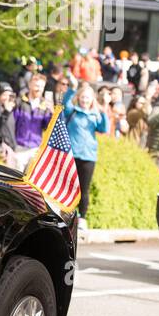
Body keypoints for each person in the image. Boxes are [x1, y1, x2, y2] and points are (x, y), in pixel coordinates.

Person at [63, 82, 110, 230]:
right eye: (83, 97)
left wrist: (104, 110)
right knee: (68, 186)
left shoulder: (95, 114)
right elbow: (66, 102)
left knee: (84, 189)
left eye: (88, 98)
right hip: (72, 154)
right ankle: (65, 213)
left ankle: (82, 218)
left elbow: (104, 128)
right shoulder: (72, 111)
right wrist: (72, 88)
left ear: (92, 100)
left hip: (88, 156)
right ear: (79, 97)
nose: (85, 100)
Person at [13, 73, 53, 172]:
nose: (39, 89)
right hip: (19, 147)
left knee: (29, 182)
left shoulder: (45, 105)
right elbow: (12, 123)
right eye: (36, 85)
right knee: (14, 180)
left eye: (41, 86)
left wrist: (52, 113)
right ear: (30, 85)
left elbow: (47, 127)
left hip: (35, 148)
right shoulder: (20, 102)